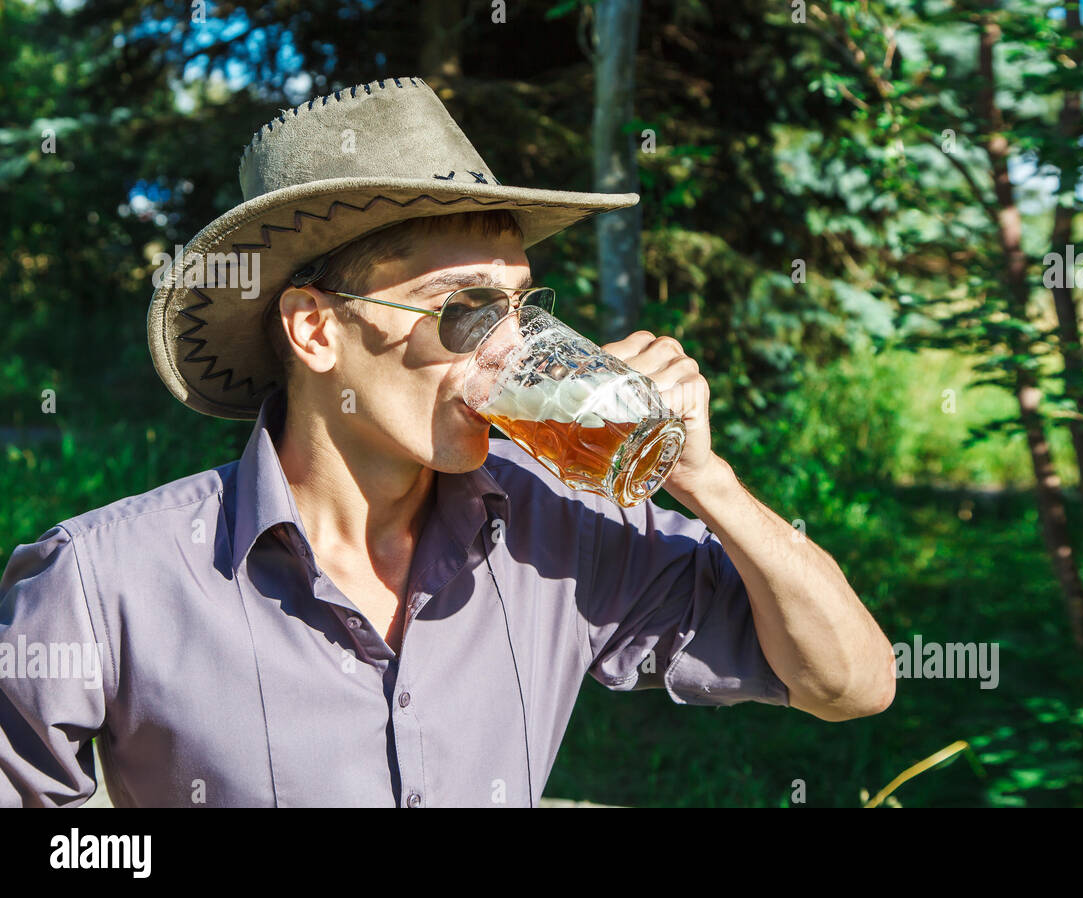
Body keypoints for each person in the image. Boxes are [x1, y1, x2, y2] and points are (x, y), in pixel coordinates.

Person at [0, 77, 894, 808]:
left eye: (520, 308)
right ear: (315, 332)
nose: (510, 350)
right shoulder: (104, 579)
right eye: (466, 312)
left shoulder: (557, 527)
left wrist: (706, 481)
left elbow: (851, 684)